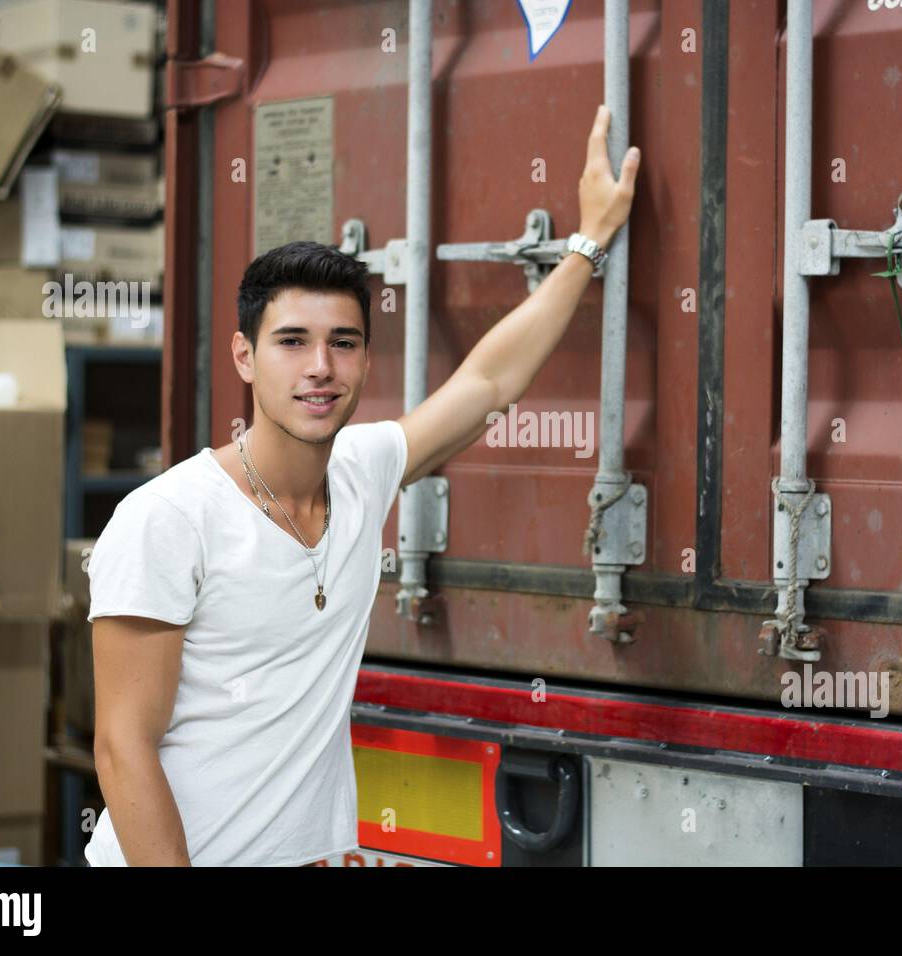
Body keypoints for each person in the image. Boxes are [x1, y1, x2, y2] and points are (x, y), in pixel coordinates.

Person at [84, 104, 640, 866]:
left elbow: (487, 382)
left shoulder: (361, 471)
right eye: (292, 342)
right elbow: (122, 747)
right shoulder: (168, 518)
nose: (320, 366)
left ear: (366, 363)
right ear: (244, 358)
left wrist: (587, 243)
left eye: (342, 344)